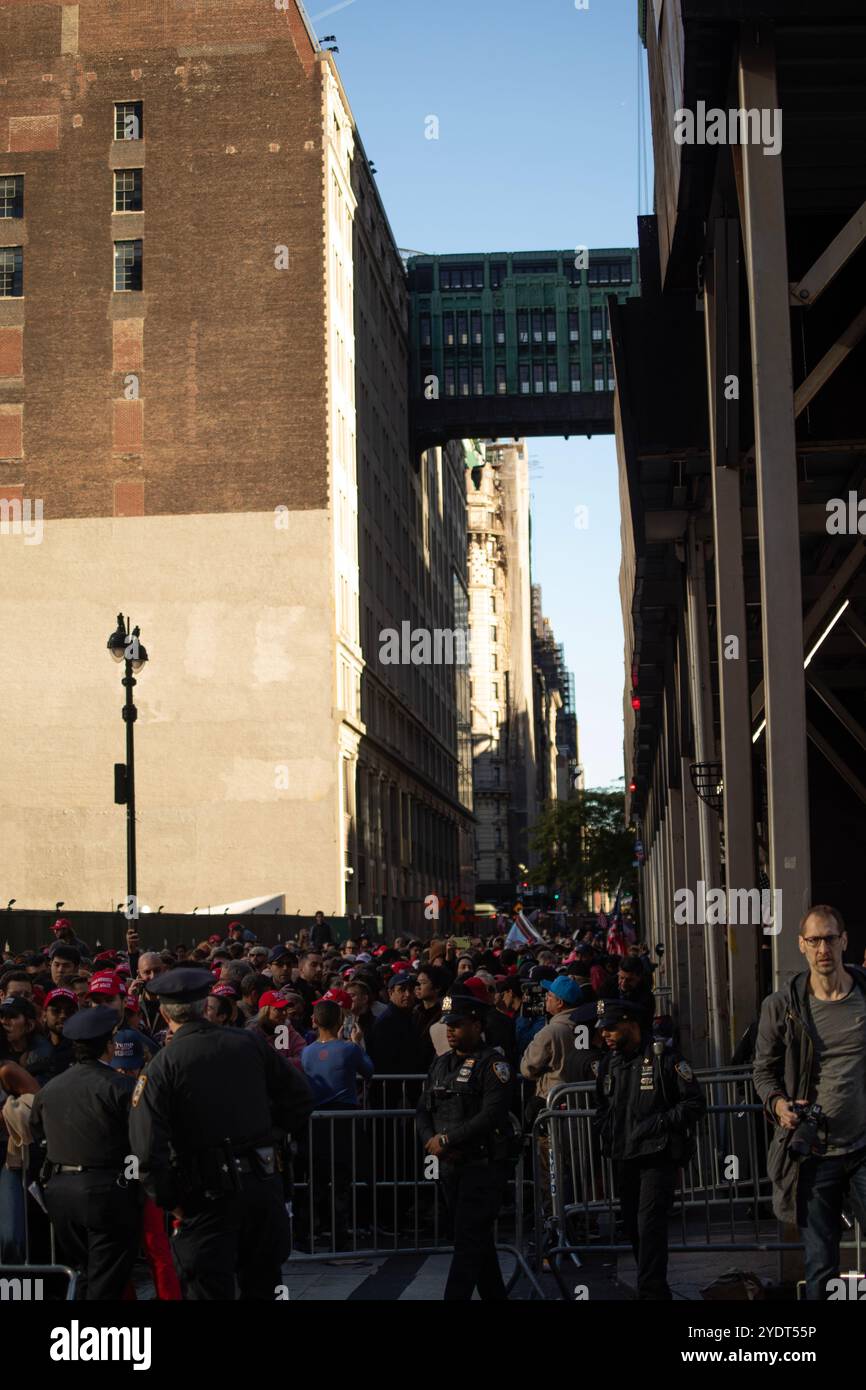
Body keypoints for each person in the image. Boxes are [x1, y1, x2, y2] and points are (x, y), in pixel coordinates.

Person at [128, 967, 314, 1299]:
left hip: (205, 1200)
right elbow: (299, 1097)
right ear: (204, 1005)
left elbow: (146, 1150)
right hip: (259, 1188)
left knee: (208, 1289)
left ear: (163, 1011)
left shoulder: (163, 1065)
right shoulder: (249, 1043)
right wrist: (271, 1135)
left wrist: (173, 1202)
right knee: (263, 1285)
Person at [752, 903, 866, 1300]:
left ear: (844, 941)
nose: (823, 948)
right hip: (815, 1155)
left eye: (830, 939)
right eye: (814, 940)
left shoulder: (864, 996)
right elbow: (762, 1073)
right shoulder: (782, 1007)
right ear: (801, 945)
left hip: (864, 1146)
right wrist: (779, 1105)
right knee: (820, 1265)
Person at [29, 1005, 143, 1299]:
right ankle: (96, 1343)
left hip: (61, 1191)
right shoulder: (121, 1086)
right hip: (106, 1191)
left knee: (84, 1272)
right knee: (106, 1279)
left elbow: (37, 1133)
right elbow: (142, 1138)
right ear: (108, 1045)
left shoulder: (51, 1088)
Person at [594, 1000, 705, 1300]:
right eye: (603, 1029)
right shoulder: (609, 1063)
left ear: (631, 1024)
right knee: (633, 1227)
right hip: (624, 1157)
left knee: (650, 1228)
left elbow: (694, 1103)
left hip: (657, 1157)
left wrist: (658, 1124)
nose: (605, 1034)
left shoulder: (664, 1058)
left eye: (611, 1028)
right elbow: (602, 1106)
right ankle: (655, 1289)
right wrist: (607, 1130)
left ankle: (651, 1293)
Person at [416, 993, 519, 1301]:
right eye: (448, 1025)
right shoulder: (440, 1063)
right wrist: (430, 1141)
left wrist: (449, 1139)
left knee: (467, 1240)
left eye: (457, 1025)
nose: (450, 1031)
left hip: (483, 1165)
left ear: (476, 1025)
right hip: (450, 1165)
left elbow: (492, 1113)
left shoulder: (494, 1064)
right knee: (477, 1242)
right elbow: (423, 1108)